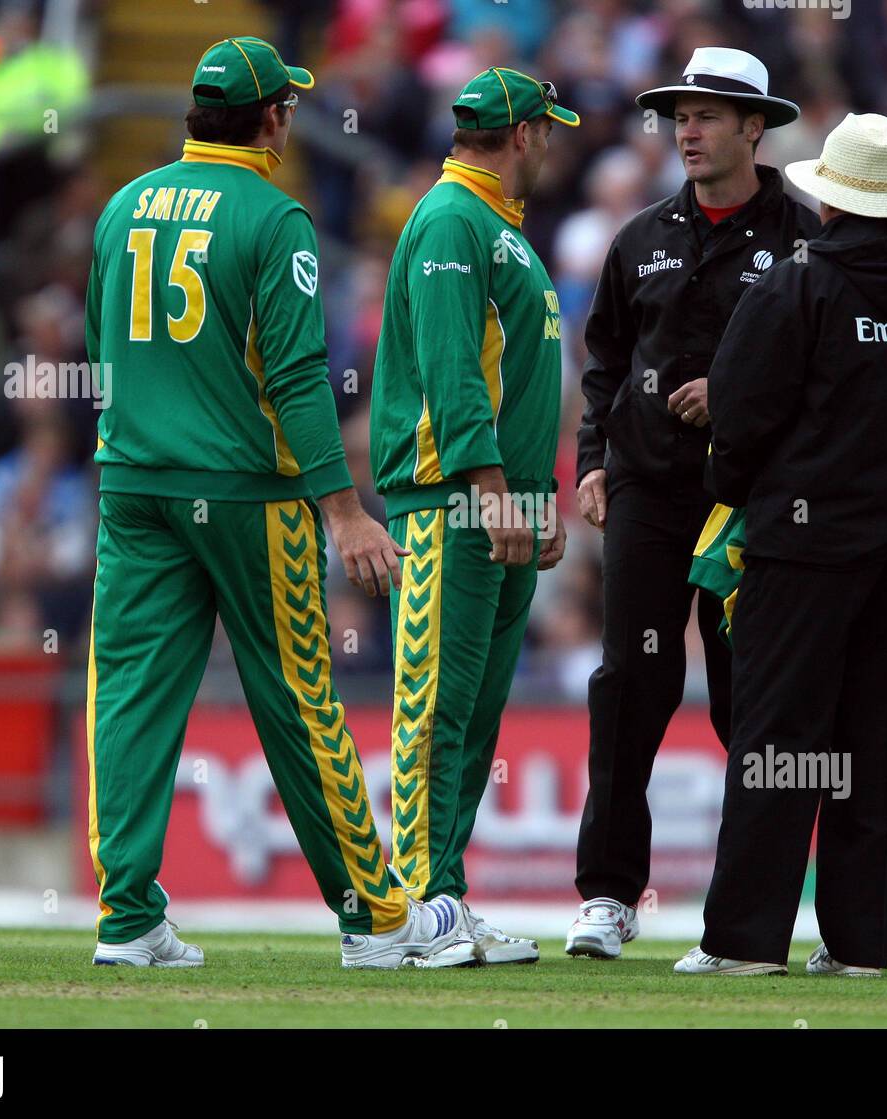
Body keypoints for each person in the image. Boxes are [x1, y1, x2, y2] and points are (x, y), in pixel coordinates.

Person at [84, 37, 465, 970]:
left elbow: (105, 344)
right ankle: (375, 918)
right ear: (273, 119)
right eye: (287, 106)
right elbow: (297, 379)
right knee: (299, 701)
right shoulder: (276, 216)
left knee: (128, 696)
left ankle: (126, 916)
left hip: (134, 484)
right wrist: (344, 513)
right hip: (247, 495)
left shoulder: (121, 206)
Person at [674, 113, 887, 976]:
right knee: (876, 746)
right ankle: (863, 943)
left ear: (830, 199)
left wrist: (734, 492)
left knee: (778, 742)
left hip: (801, 556)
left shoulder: (797, 287)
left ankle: (744, 941)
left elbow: (738, 417)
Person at [566, 47, 819, 958]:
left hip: (752, 503)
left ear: (757, 126)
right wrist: (593, 459)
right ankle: (607, 895)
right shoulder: (640, 238)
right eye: (680, 112)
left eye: (709, 114)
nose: (688, 128)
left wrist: (738, 393)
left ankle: (752, 910)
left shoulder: (806, 238)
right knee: (629, 686)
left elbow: (827, 373)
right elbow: (603, 365)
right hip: (648, 492)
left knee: (748, 705)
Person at [369, 67, 577, 967]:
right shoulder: (455, 220)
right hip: (451, 503)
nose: (555, 145)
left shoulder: (498, 228)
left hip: (500, 506)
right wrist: (495, 491)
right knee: (433, 707)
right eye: (548, 129)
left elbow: (519, 389)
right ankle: (417, 903)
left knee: (474, 715)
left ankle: (445, 893)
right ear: (522, 134)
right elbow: (454, 372)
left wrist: (537, 496)